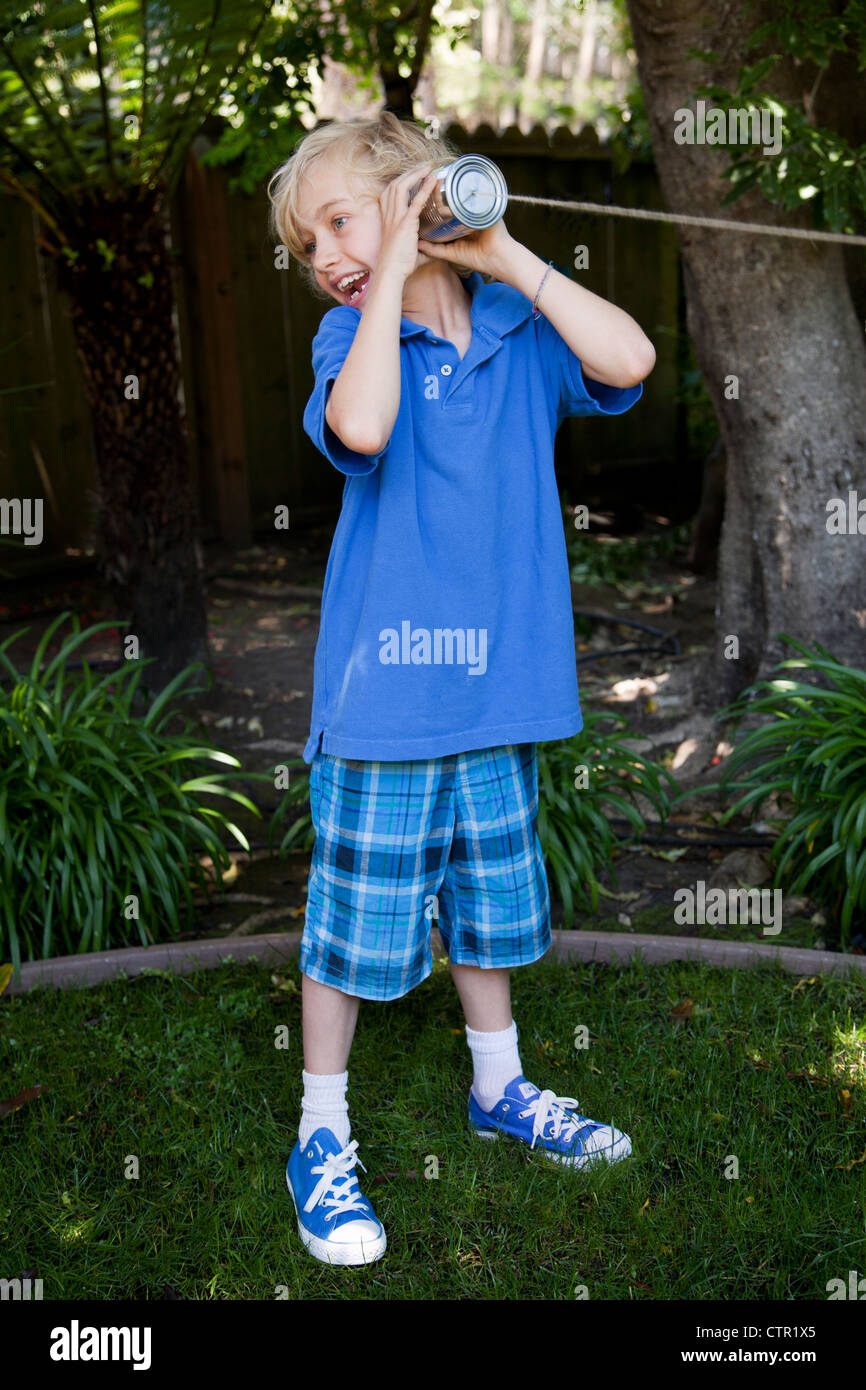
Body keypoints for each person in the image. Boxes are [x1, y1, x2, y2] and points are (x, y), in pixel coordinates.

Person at [267, 113, 655, 1267]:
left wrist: (500, 255)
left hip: (501, 692)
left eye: (339, 217)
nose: (322, 253)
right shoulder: (351, 339)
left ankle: (500, 1086)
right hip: (386, 701)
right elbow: (366, 426)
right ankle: (319, 1130)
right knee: (351, 927)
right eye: (304, 245)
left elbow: (626, 359)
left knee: (488, 910)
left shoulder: (517, 328)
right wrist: (383, 271)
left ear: (410, 191)